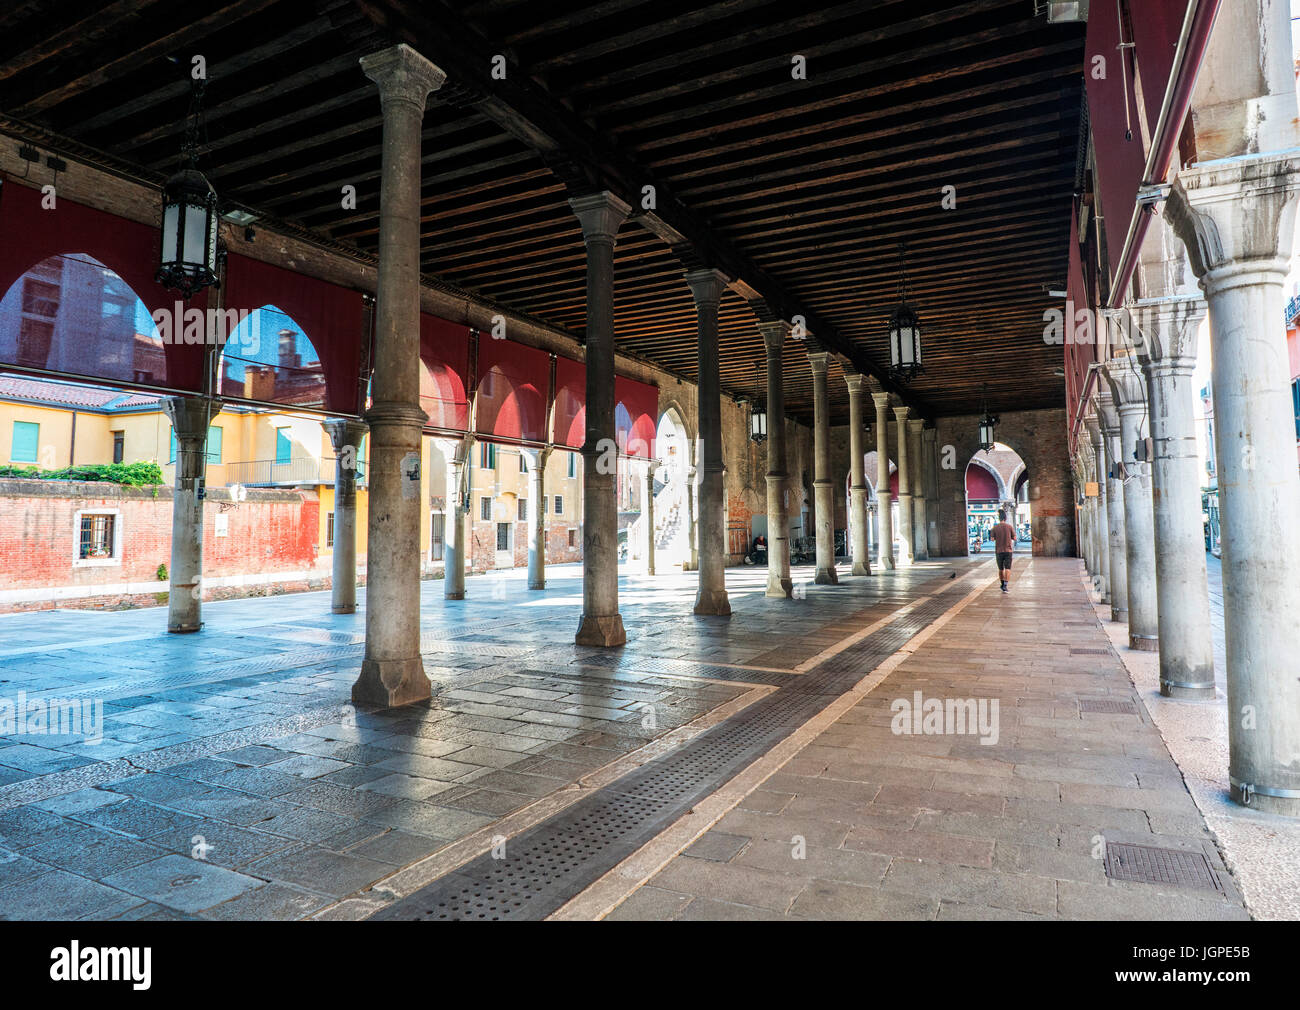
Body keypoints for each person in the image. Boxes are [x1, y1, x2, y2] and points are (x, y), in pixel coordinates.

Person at [991, 508, 1016, 593]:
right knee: (1008, 568)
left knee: (1001, 569)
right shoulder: (1009, 527)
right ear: (1005, 518)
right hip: (1008, 551)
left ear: (999, 518)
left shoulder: (995, 528)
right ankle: (1005, 585)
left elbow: (992, 539)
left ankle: (1002, 584)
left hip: (999, 551)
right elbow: (1015, 538)